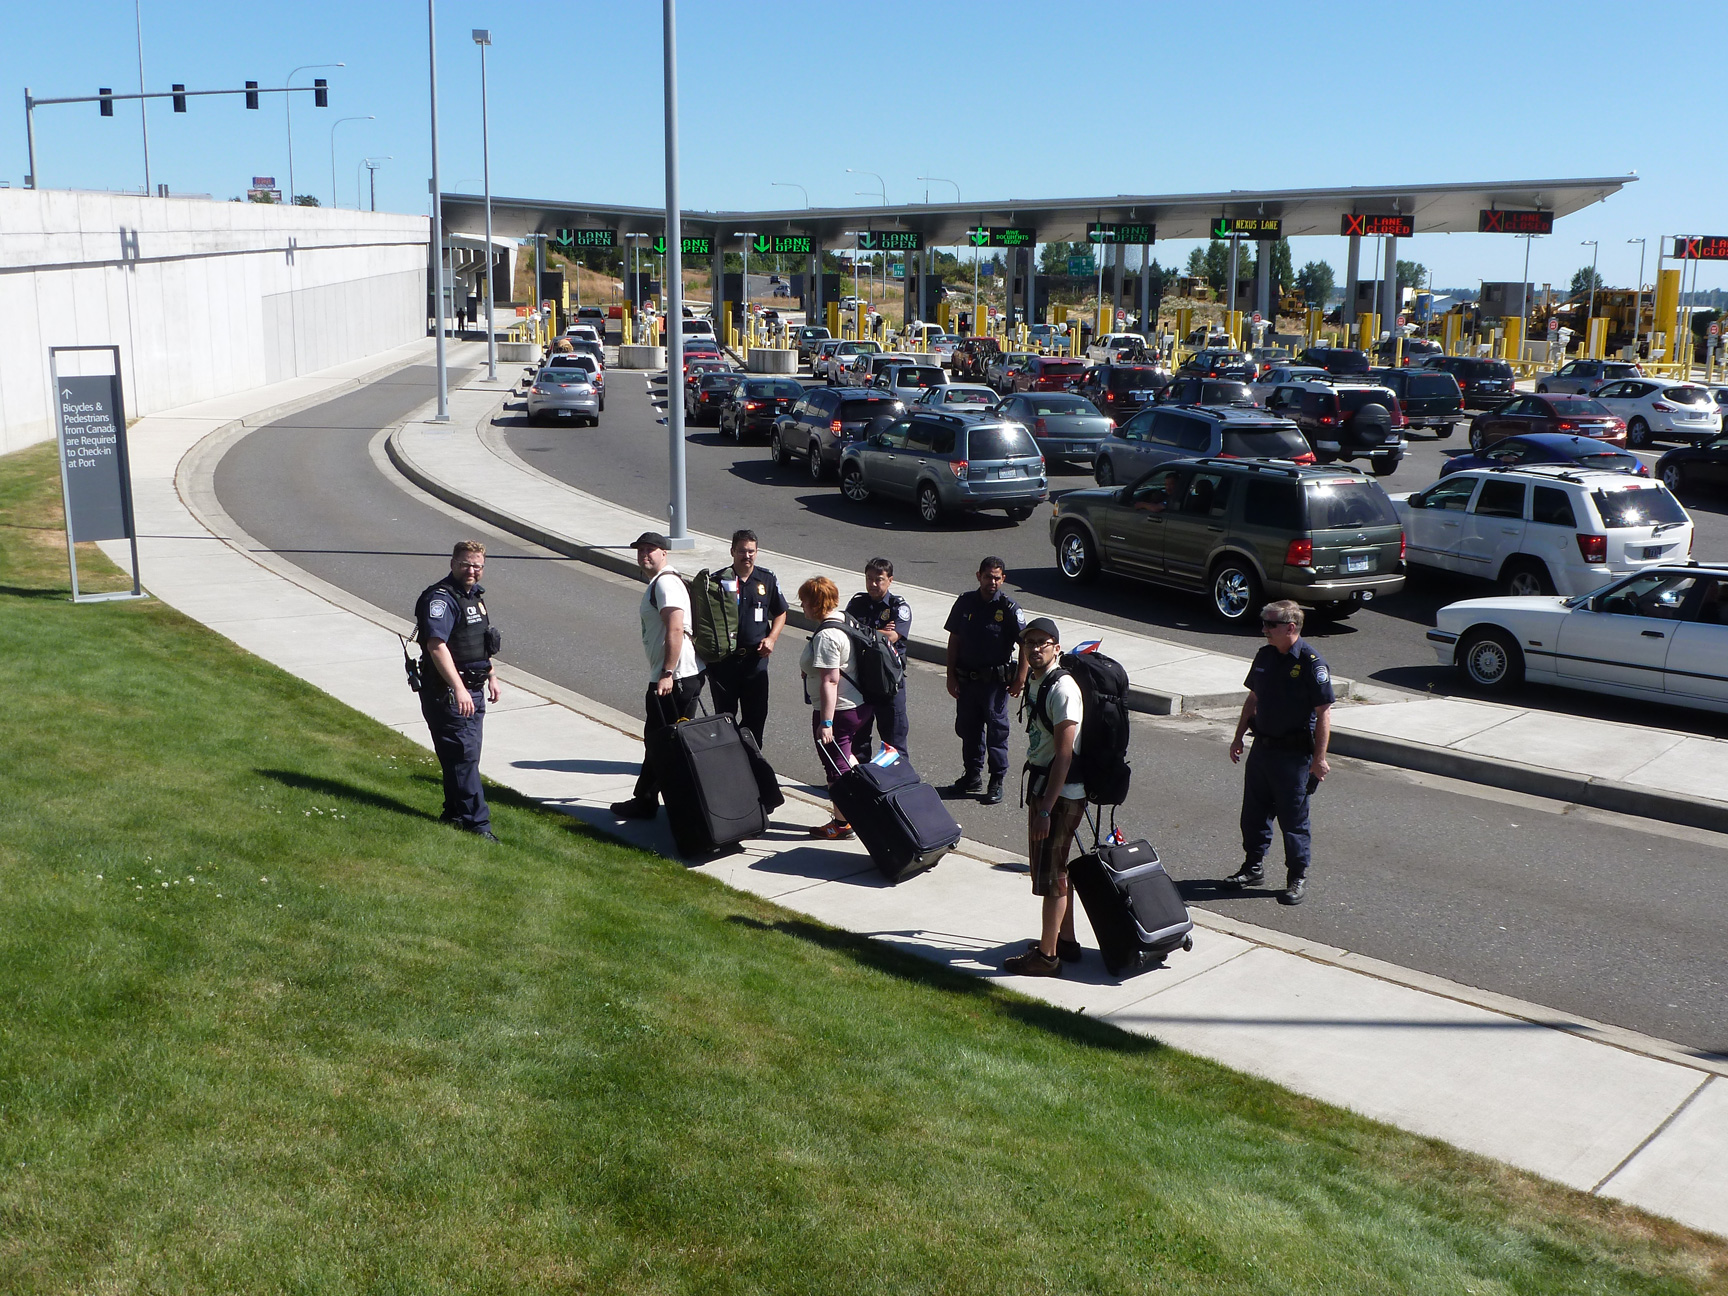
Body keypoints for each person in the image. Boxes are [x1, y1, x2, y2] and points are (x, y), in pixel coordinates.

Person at [1224, 600, 1334, 906]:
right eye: (1264, 623)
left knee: (1293, 820)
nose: (1264, 630)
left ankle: (1296, 876)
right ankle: (1253, 867)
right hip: (1263, 750)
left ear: (1290, 627)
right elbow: (1253, 699)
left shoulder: (1313, 663)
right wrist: (1238, 737)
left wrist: (1319, 758)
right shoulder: (1265, 656)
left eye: (1270, 624)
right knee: (1253, 815)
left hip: (1294, 756)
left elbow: (1323, 713)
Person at [1003, 618, 1087, 977]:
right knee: (1056, 871)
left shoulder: (1062, 689)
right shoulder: (1038, 680)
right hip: (1045, 788)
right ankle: (1064, 941)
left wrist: (1046, 810)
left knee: (1052, 877)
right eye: (1029, 642)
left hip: (1061, 795)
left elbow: (1065, 755)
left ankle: (1048, 957)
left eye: (1042, 642)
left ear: (1056, 646)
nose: (1034, 648)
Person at [610, 532, 706, 821]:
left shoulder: (665, 583)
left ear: (665, 553)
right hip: (677, 674)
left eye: (651, 550)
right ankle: (649, 800)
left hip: (675, 677)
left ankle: (678, 806)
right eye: (640, 550)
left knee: (665, 742)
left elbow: (675, 628)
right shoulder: (662, 582)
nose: (644, 555)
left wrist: (666, 673)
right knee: (660, 740)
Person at [414, 541, 501, 840]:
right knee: (463, 757)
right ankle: (479, 825)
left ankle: (454, 812)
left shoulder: (474, 597)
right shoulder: (440, 599)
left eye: (477, 565)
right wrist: (459, 688)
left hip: (473, 688)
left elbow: (478, 642)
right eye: (465, 564)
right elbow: (436, 646)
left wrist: (492, 675)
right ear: (452, 563)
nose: (471, 570)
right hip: (450, 693)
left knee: (461, 757)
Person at [941, 556, 1025, 805]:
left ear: (1003, 579)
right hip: (967, 681)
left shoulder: (1009, 609)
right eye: (988, 576)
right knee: (968, 730)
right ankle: (972, 776)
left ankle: (996, 780)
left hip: (994, 685)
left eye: (997, 578)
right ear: (979, 576)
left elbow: (1025, 645)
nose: (993, 582)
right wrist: (950, 675)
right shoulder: (965, 602)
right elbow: (954, 640)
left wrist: (1020, 678)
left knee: (996, 734)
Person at [798, 575, 873, 841]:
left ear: (815, 603)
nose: (802, 605)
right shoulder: (843, 620)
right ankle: (858, 811)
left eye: (804, 601)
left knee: (835, 768)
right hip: (858, 706)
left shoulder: (828, 636)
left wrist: (826, 722)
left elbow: (830, 680)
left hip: (839, 711)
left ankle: (842, 825)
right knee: (848, 760)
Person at [704, 529, 788, 750]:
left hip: (755, 661)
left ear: (757, 552)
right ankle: (728, 759)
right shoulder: (717, 581)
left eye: (751, 551)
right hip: (725, 662)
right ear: (733, 552)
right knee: (724, 716)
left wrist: (772, 639)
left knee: (756, 715)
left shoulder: (766, 579)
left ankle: (752, 760)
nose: (747, 556)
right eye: (742, 551)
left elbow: (780, 613)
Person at [845, 556, 912, 759]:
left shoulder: (898, 607)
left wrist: (865, 631)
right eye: (869, 579)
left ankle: (894, 785)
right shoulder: (857, 604)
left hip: (888, 683)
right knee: (858, 740)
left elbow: (891, 637)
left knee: (893, 741)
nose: (873, 584)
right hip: (862, 681)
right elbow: (846, 632)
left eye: (879, 579)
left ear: (890, 580)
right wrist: (878, 631)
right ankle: (859, 783)